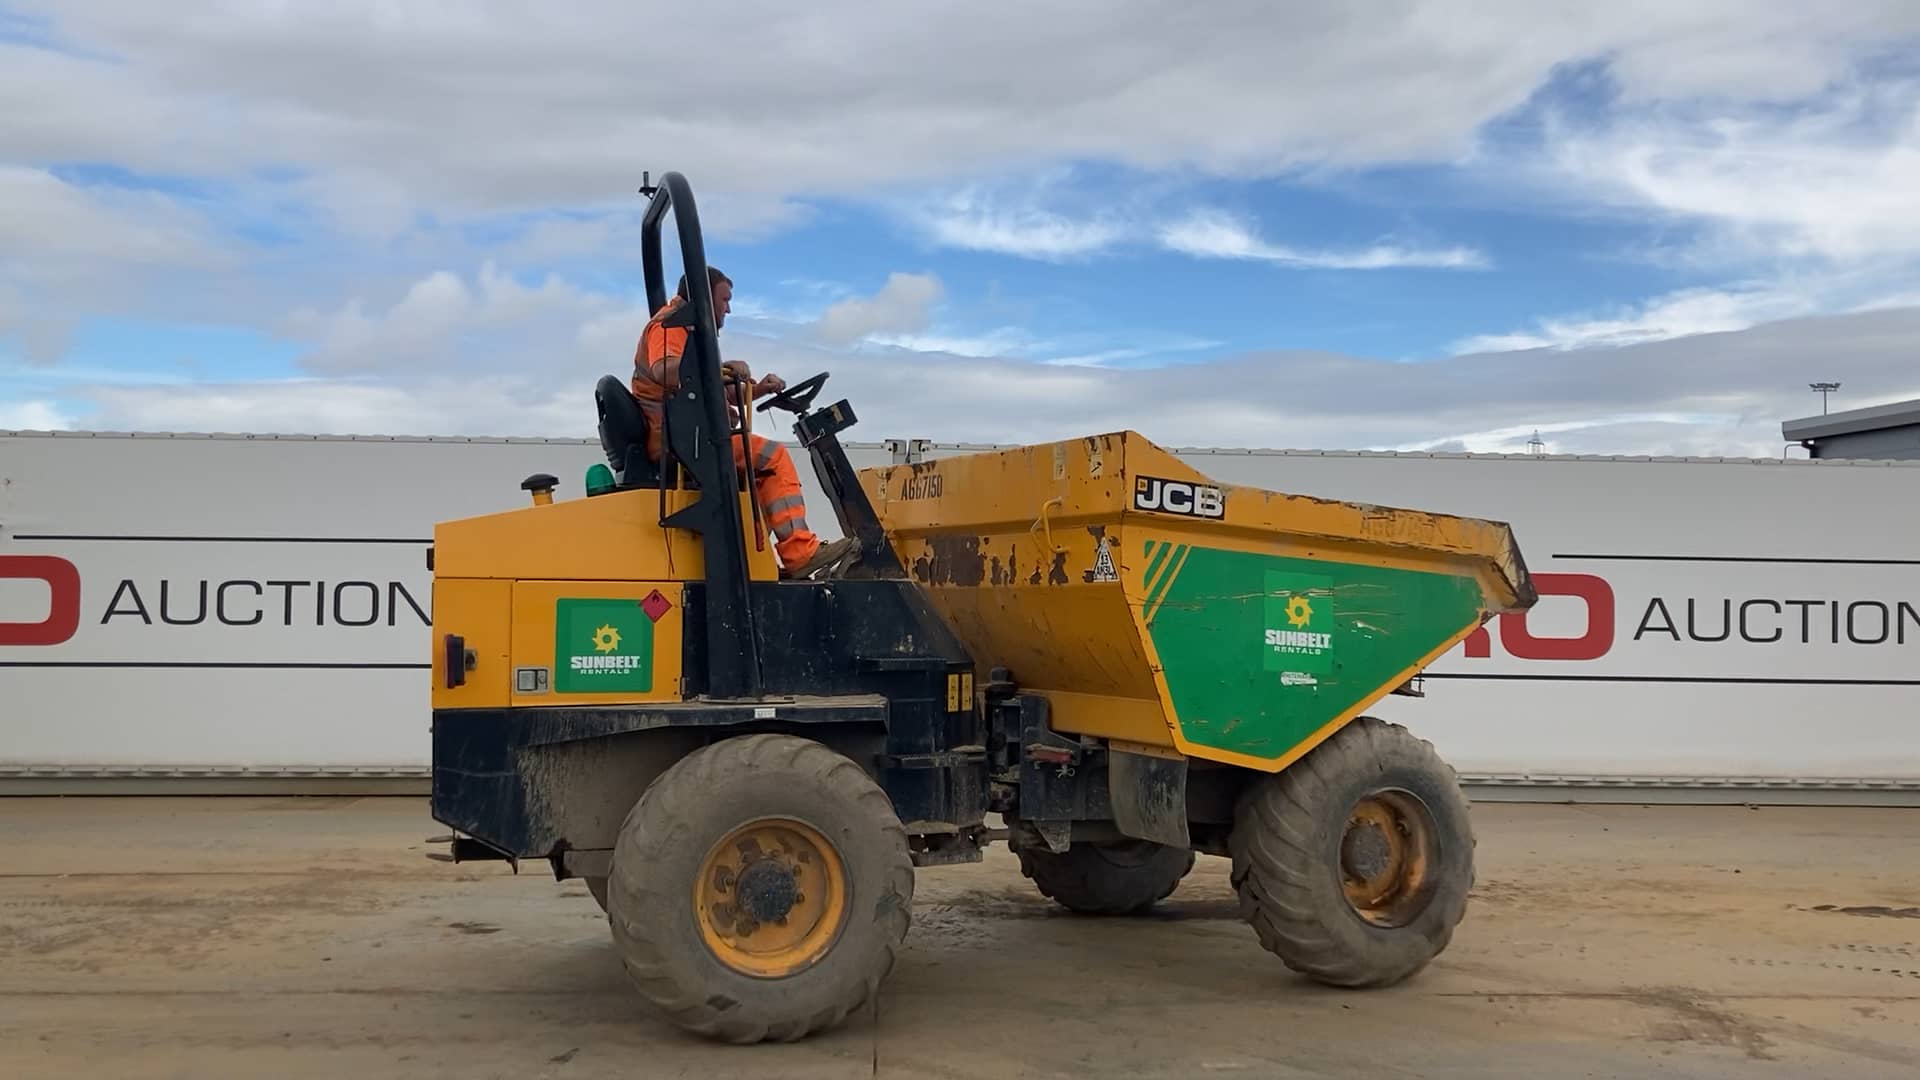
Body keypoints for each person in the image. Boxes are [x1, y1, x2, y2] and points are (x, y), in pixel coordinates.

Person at [630, 266, 853, 578]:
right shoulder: (669, 326)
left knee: (756, 474)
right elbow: (664, 370)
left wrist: (760, 389)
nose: (729, 308)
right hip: (680, 442)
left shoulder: (690, 332)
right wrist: (720, 366)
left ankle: (753, 559)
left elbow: (710, 391)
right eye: (724, 299)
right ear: (704, 297)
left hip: (689, 436)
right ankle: (800, 553)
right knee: (773, 457)